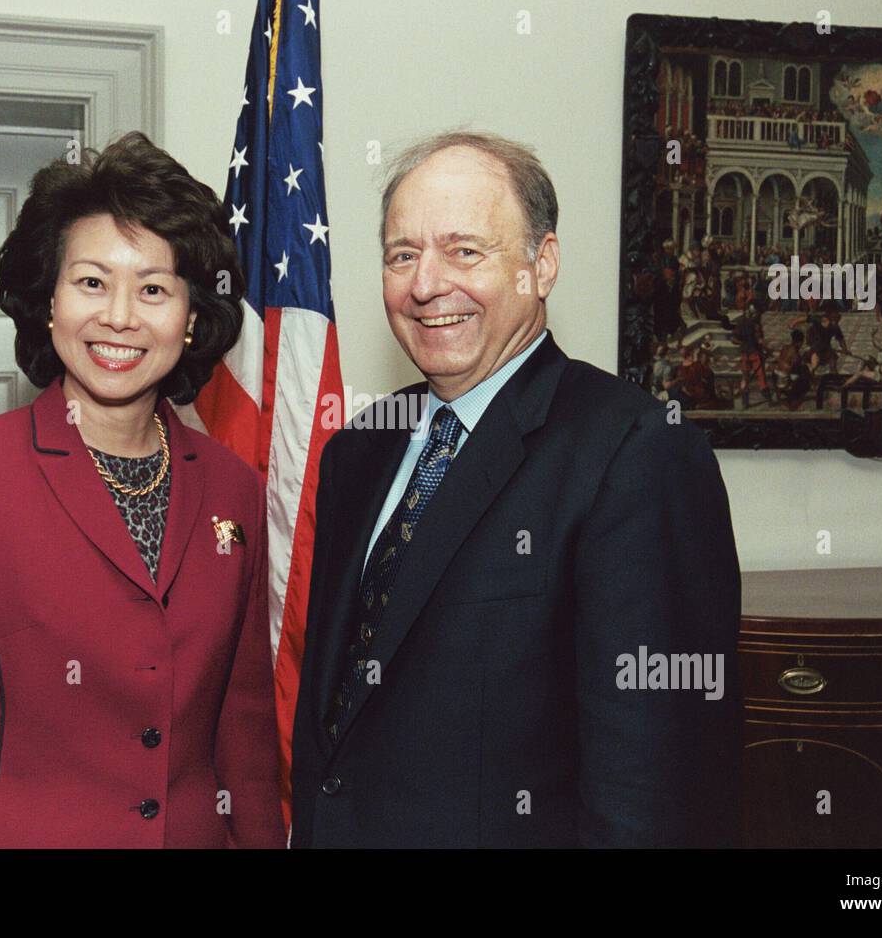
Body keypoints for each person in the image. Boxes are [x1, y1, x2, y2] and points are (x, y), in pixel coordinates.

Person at [290, 131, 742, 848]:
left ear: (543, 264)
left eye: (465, 250)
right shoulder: (358, 452)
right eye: (402, 255)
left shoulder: (636, 453)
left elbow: (657, 786)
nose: (427, 284)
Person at [0, 132, 285, 849]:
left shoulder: (234, 491)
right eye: (90, 282)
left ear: (193, 317)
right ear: (47, 302)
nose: (119, 316)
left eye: (153, 289)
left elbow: (243, 735)